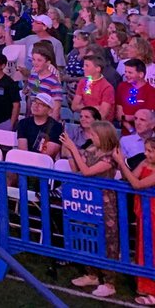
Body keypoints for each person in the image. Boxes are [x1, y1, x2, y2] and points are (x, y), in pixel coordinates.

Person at [63, 121, 122, 298]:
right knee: (87, 235)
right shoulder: (91, 150)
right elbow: (77, 167)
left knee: (108, 239)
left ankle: (110, 282)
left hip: (104, 203)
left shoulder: (111, 157)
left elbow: (88, 172)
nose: (90, 136)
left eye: (94, 135)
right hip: (87, 200)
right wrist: (70, 151)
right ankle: (91, 274)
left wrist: (73, 148)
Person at [116, 137, 155, 305]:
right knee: (142, 246)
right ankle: (144, 286)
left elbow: (138, 184)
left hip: (153, 212)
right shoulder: (145, 163)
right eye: (146, 150)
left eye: (151, 151)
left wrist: (121, 163)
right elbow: (132, 177)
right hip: (143, 212)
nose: (147, 154)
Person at [16, 92, 63, 159]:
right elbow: (23, 150)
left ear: (49, 111)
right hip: (25, 161)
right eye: (35, 102)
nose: (36, 106)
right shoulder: (23, 123)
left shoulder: (56, 127)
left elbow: (49, 154)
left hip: (44, 164)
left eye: (41, 104)